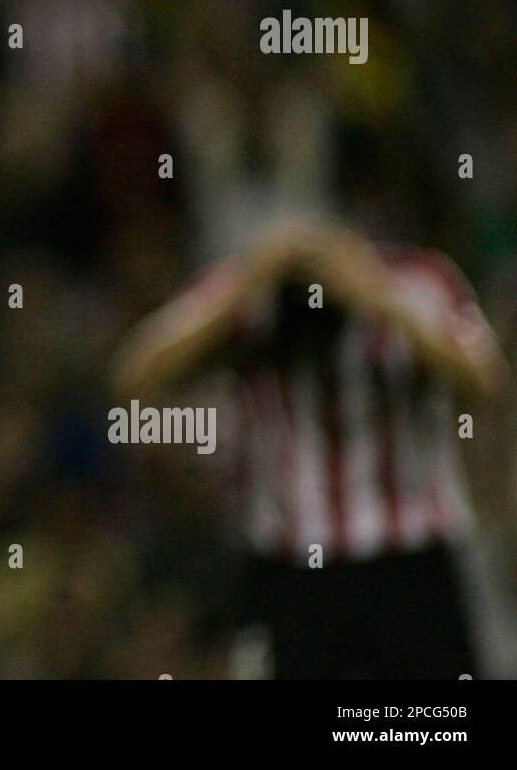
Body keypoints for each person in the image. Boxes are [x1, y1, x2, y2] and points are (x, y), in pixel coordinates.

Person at [111, 218, 508, 678]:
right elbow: (134, 376)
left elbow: (485, 379)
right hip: (291, 561)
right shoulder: (251, 287)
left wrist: (377, 295)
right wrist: (246, 285)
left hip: (409, 558)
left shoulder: (419, 278)